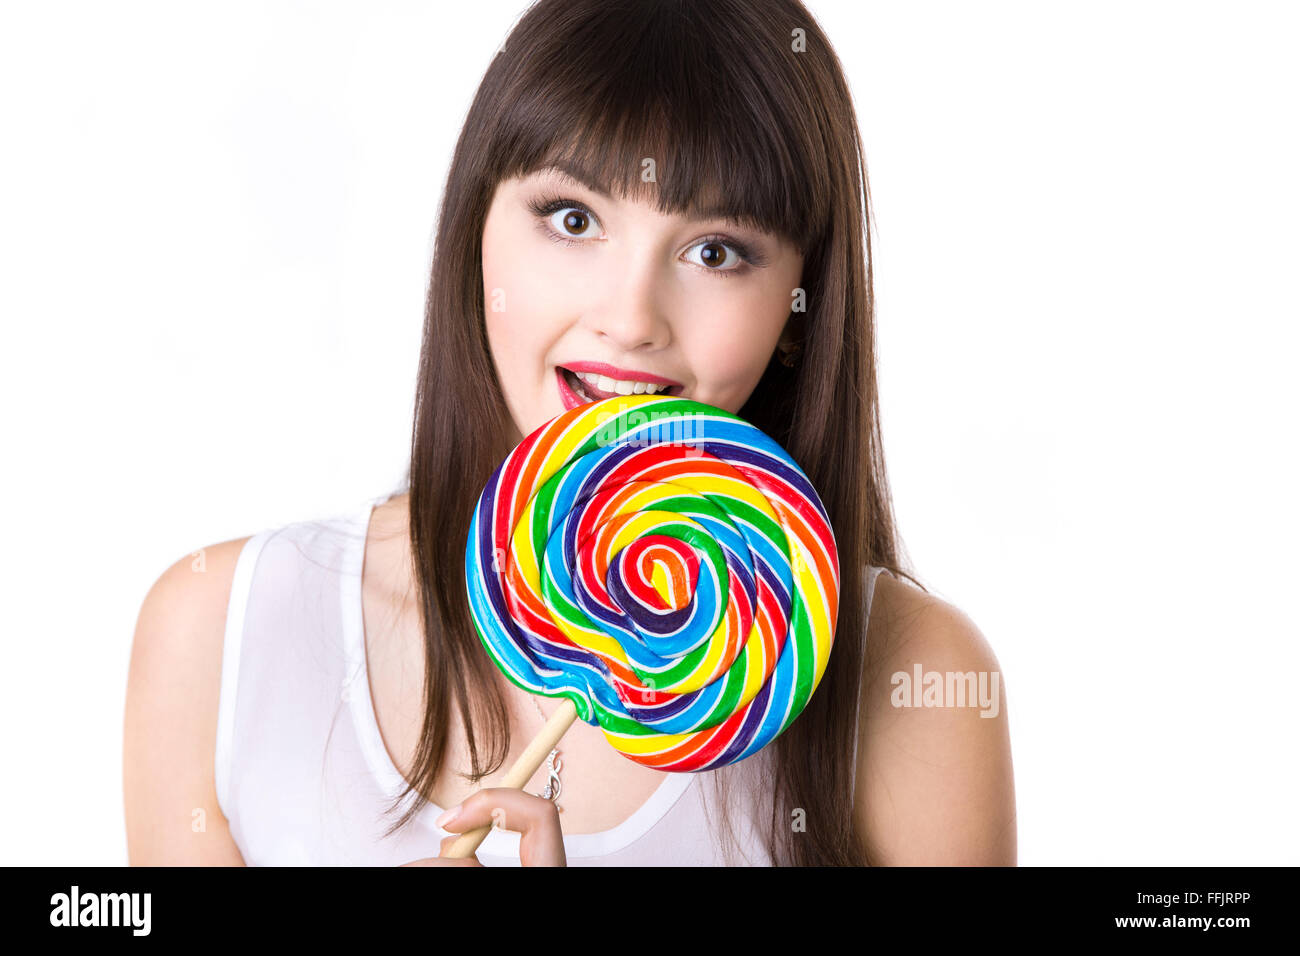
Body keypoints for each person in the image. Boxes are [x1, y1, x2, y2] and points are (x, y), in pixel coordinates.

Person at [124, 0, 1016, 867]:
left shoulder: (912, 684)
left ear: (796, 306)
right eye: (574, 218)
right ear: (476, 227)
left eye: (715, 252)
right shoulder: (223, 634)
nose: (630, 320)